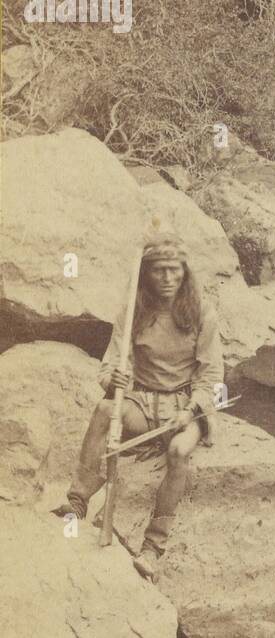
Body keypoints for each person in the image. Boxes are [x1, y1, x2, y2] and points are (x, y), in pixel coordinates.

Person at [52, 234, 223, 582]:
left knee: (177, 451)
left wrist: (190, 411)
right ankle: (78, 501)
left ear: (184, 272)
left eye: (174, 270)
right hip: (142, 402)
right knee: (103, 411)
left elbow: (213, 377)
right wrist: (113, 379)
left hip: (186, 406)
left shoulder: (202, 312)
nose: (168, 278)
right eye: (159, 271)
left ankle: (153, 547)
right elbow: (109, 366)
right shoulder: (133, 310)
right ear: (147, 274)